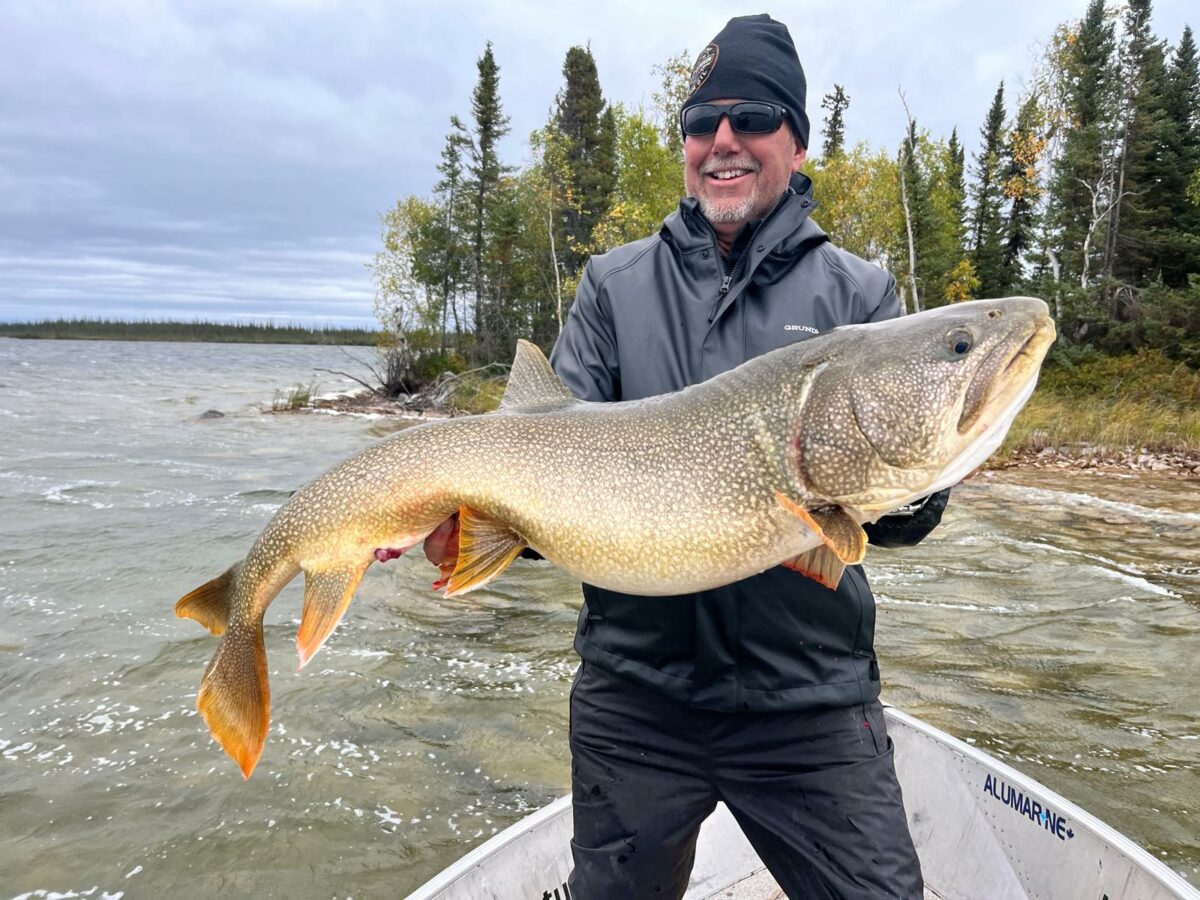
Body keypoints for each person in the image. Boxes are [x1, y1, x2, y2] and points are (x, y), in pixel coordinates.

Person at [427, 14, 948, 899]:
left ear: (795, 140)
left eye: (752, 117)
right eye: (703, 121)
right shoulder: (613, 285)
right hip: (636, 701)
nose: (723, 140)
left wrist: (898, 483)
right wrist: (475, 527)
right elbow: (555, 476)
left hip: (809, 702)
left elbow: (913, 515)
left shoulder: (860, 296)